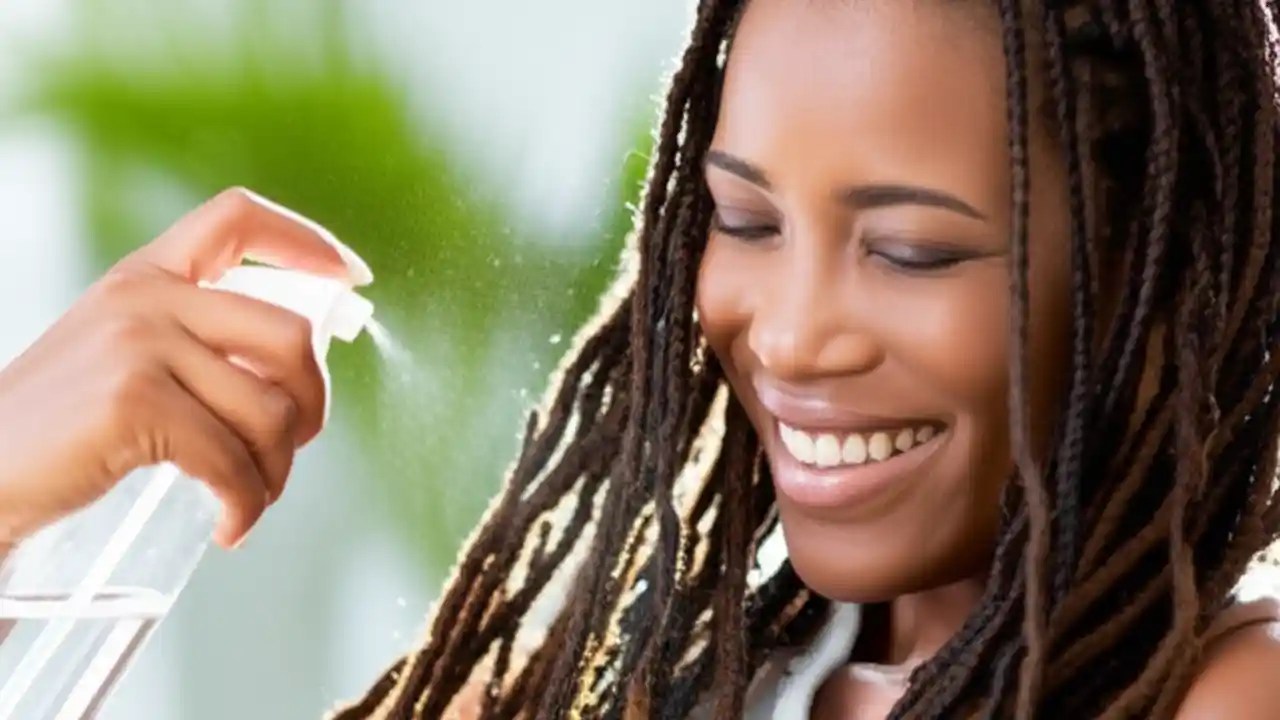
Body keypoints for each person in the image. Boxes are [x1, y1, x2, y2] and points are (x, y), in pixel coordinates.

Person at [2, 0, 1280, 717]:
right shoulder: (649, 689)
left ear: (1145, 282)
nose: (785, 333)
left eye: (905, 250)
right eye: (743, 222)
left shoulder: (1220, 695)